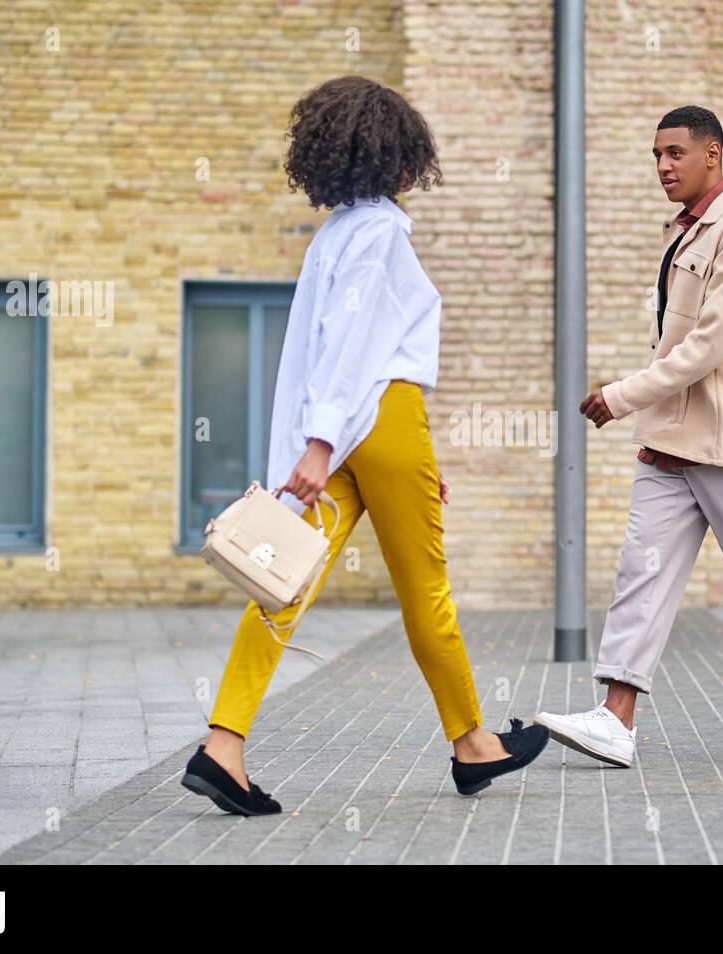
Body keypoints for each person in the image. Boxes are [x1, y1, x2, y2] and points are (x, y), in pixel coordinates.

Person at [182, 75, 548, 816]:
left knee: (282, 584)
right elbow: (355, 350)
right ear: (392, 156)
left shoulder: (335, 235)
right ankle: (472, 745)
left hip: (350, 431)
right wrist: (323, 447)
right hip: (374, 421)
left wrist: (324, 446)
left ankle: (223, 746)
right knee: (426, 590)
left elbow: (326, 352)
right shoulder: (380, 231)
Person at [537, 106, 723, 768]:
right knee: (642, 572)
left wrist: (621, 396)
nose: (663, 167)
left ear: (712, 155)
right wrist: (647, 415)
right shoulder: (688, 233)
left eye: (675, 154)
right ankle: (616, 717)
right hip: (671, 439)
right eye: (656, 156)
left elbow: (708, 347)